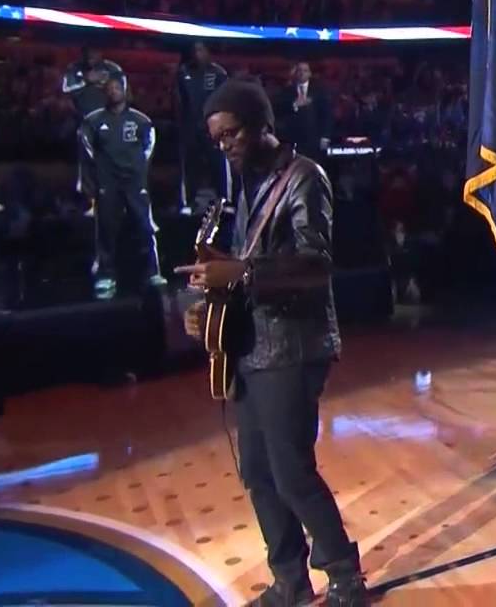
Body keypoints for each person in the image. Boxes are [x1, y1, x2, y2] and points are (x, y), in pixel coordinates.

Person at [178, 79, 366, 606]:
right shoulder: (244, 183)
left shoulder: (305, 178)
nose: (225, 146)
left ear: (262, 126)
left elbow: (316, 263)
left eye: (232, 134)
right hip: (253, 346)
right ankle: (290, 579)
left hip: (296, 344)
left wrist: (241, 271)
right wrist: (211, 298)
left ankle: (345, 574)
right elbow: (241, 268)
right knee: (258, 473)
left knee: (291, 471)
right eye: (217, 140)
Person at [80, 78, 161, 299]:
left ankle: (152, 271)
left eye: (118, 88)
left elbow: (149, 146)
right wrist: (98, 173)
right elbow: (86, 150)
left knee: (145, 226)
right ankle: (106, 274)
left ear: (126, 91)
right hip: (108, 182)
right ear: (105, 93)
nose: (114, 92)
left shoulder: (141, 120)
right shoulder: (94, 120)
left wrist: (138, 169)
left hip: (134, 182)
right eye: (110, 89)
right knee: (106, 229)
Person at [63, 47, 126, 201]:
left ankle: (113, 196)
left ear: (101, 52)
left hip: (109, 122)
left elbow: (123, 92)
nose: (91, 55)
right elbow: (65, 89)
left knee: (110, 161)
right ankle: (89, 200)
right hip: (84, 121)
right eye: (88, 51)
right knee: (86, 161)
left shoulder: (113, 69)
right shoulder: (74, 68)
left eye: (95, 51)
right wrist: (86, 80)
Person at [175, 41, 230, 215]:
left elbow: (225, 101)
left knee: (219, 163)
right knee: (190, 166)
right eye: (194, 50)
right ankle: (188, 202)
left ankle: (225, 200)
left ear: (207, 52)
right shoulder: (183, 72)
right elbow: (178, 101)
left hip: (213, 128)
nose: (197, 53)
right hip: (190, 126)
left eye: (200, 49)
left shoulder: (218, 73)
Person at [275, 62, 333, 162]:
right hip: (294, 139)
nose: (302, 73)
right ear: (295, 73)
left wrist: (325, 136)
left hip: (314, 138)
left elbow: (326, 115)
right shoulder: (286, 91)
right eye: (299, 70)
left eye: (305, 70)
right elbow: (278, 110)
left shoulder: (319, 91)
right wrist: (294, 105)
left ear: (310, 74)